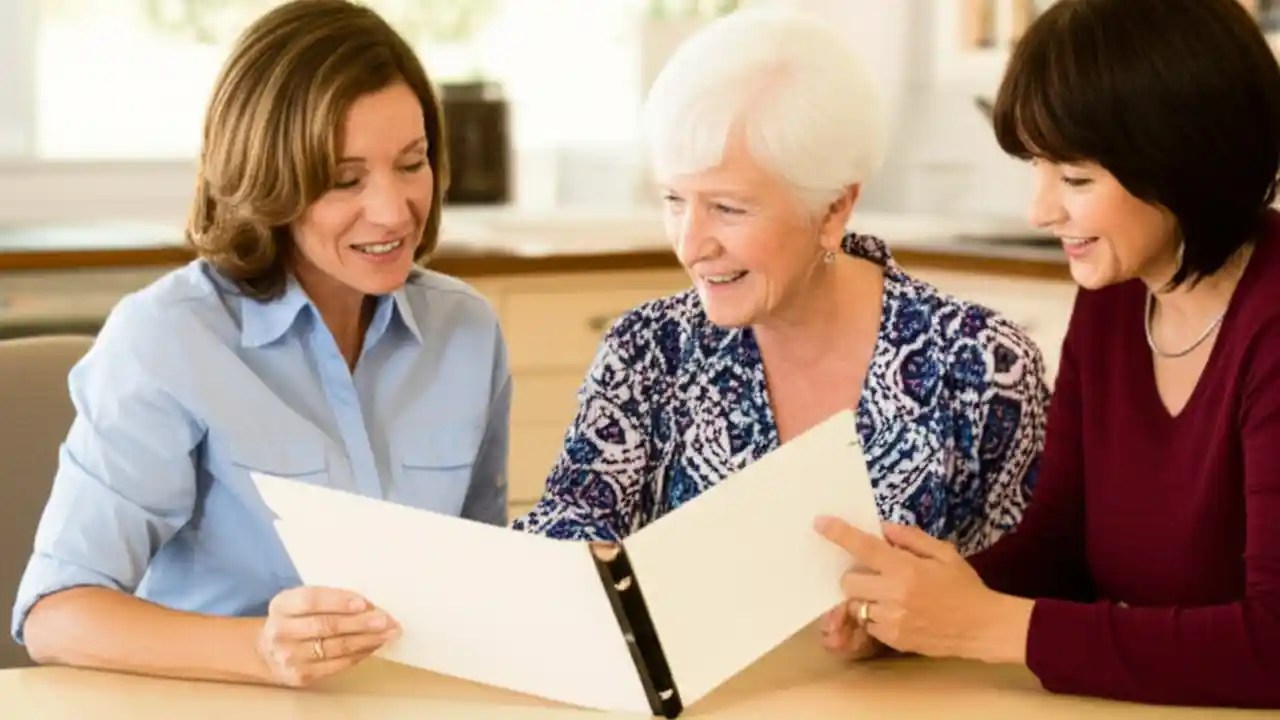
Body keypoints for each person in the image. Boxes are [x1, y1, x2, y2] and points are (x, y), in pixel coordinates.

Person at [11, 0, 509, 688]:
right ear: (271, 181)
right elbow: (56, 615)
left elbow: (490, 580)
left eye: (412, 162)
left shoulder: (467, 332)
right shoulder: (169, 338)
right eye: (345, 180)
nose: (394, 211)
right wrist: (262, 651)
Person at [817, 0, 1280, 707]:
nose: (1040, 211)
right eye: (1037, 167)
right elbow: (1061, 544)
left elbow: (1269, 648)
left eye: (1075, 178)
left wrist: (992, 628)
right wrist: (917, 613)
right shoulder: (1119, 294)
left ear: (1183, 160)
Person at [513, 9, 1048, 576]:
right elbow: (566, 527)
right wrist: (574, 567)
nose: (691, 245)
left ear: (834, 207)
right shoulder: (647, 351)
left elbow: (1029, 595)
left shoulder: (983, 364)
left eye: (728, 208)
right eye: (674, 200)